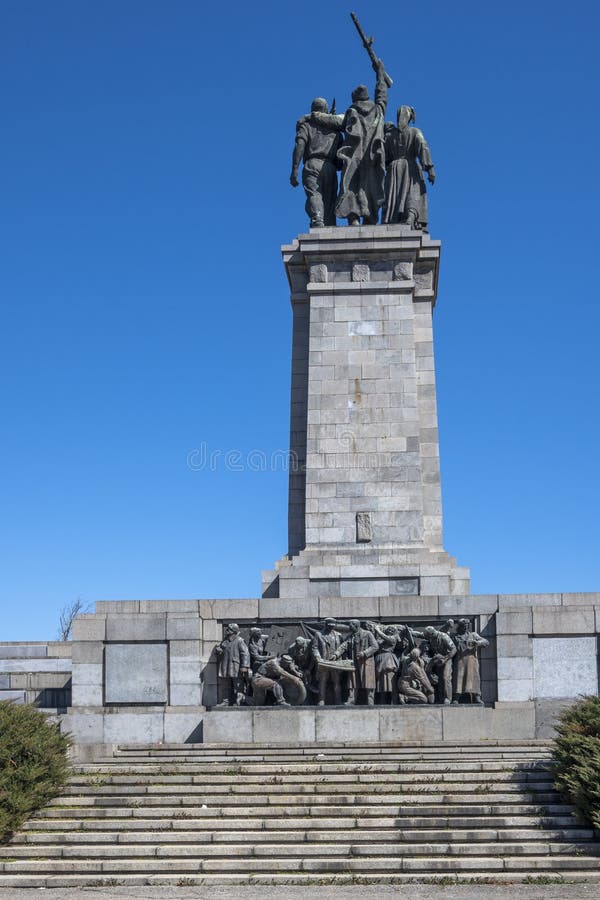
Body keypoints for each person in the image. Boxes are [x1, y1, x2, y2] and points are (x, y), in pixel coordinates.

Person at [335, 57, 388, 225]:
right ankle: (369, 216)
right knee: (369, 185)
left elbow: (334, 121)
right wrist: (380, 74)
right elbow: (382, 96)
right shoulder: (377, 110)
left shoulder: (351, 112)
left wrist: (313, 116)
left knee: (351, 185)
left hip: (354, 156)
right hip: (372, 155)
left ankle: (354, 218)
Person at [290, 98, 343, 228]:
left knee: (314, 194)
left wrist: (295, 169)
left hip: (312, 164)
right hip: (330, 167)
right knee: (330, 199)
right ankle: (329, 224)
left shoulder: (307, 126)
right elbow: (341, 156)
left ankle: (317, 219)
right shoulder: (336, 131)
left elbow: (300, 146)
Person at [382, 105, 435, 230]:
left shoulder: (389, 136)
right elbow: (423, 146)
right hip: (410, 167)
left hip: (394, 169)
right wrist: (430, 169)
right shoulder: (415, 132)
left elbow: (384, 157)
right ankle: (410, 217)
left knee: (398, 194)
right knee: (413, 192)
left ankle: (403, 217)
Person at [334, 618, 379, 705]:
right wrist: (336, 654)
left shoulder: (368, 634)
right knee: (352, 682)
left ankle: (370, 701)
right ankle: (351, 700)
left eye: (351, 627)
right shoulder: (351, 636)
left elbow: (375, 646)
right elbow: (343, 646)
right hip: (354, 663)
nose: (350, 629)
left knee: (369, 683)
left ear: (357, 626)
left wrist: (364, 653)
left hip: (366, 662)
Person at [452, 618, 489, 705]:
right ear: (460, 627)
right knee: (458, 679)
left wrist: (477, 643)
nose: (465, 628)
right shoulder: (455, 637)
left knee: (474, 679)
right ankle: (456, 697)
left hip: (472, 660)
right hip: (460, 660)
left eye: (466, 626)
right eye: (463, 626)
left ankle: (477, 696)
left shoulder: (473, 635)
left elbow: (486, 642)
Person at [215, 623, 250, 707]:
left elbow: (245, 653)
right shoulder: (225, 640)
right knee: (225, 685)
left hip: (235, 667)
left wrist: (244, 666)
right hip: (225, 666)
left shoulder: (240, 640)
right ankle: (225, 701)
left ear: (234, 631)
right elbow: (221, 652)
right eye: (227, 629)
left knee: (238, 685)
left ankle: (239, 701)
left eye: (229, 629)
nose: (227, 631)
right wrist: (218, 651)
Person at [311, 617, 344, 705]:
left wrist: (336, 654)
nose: (331, 628)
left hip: (335, 662)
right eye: (329, 626)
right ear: (325, 625)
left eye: (332, 626)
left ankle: (338, 700)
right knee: (322, 682)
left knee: (337, 682)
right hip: (323, 662)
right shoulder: (318, 634)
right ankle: (321, 700)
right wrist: (318, 658)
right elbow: (314, 648)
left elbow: (342, 648)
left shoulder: (338, 635)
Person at [422, 625, 457, 705]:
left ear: (431, 634)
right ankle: (441, 698)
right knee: (440, 678)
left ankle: (448, 698)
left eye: (428, 636)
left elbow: (454, 649)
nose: (427, 637)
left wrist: (446, 658)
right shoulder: (431, 637)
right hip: (438, 659)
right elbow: (420, 635)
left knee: (445, 677)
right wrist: (410, 632)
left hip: (447, 658)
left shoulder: (444, 637)